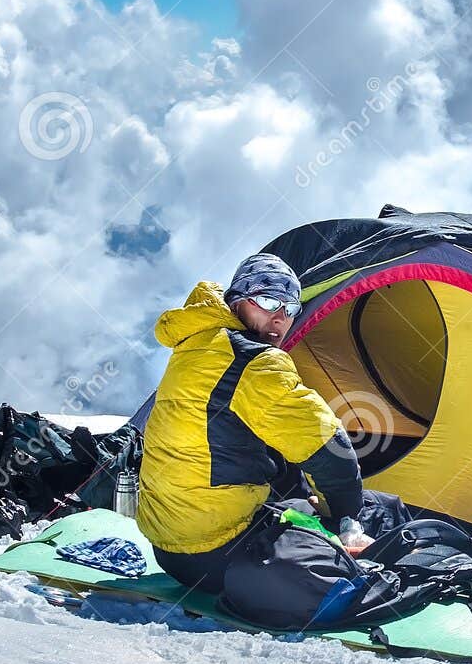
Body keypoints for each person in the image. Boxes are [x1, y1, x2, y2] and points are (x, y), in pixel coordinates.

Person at [137, 252, 397, 595]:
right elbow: (330, 449)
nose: (279, 317)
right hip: (218, 552)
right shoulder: (253, 360)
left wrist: (310, 500)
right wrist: (345, 517)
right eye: (268, 299)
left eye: (290, 308)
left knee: (285, 469)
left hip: (170, 551)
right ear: (236, 301)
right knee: (381, 511)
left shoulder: (195, 344)